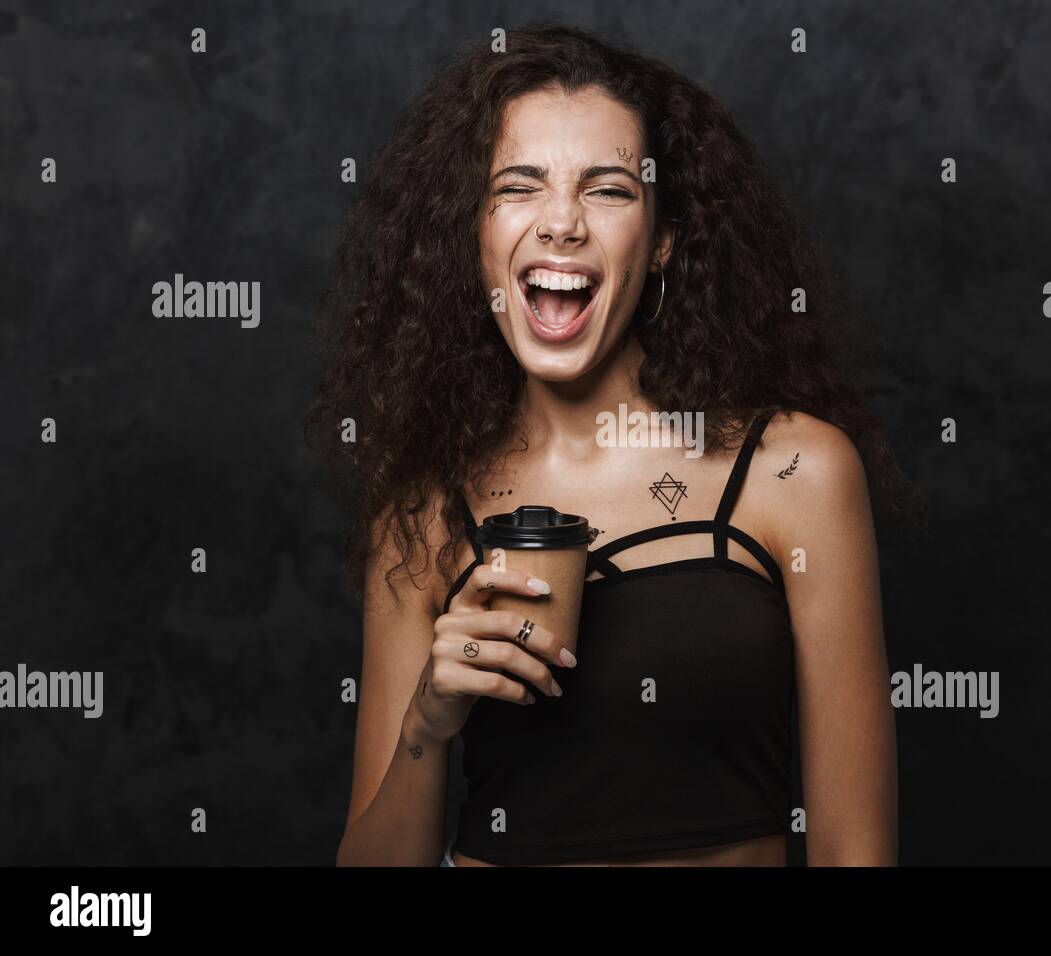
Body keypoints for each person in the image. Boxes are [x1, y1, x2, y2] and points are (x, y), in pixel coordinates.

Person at [309, 23, 910, 867]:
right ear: (475, 236)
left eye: (609, 190)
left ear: (662, 238)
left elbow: (858, 853)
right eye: (519, 186)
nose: (561, 223)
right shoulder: (422, 511)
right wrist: (426, 723)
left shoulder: (795, 472)